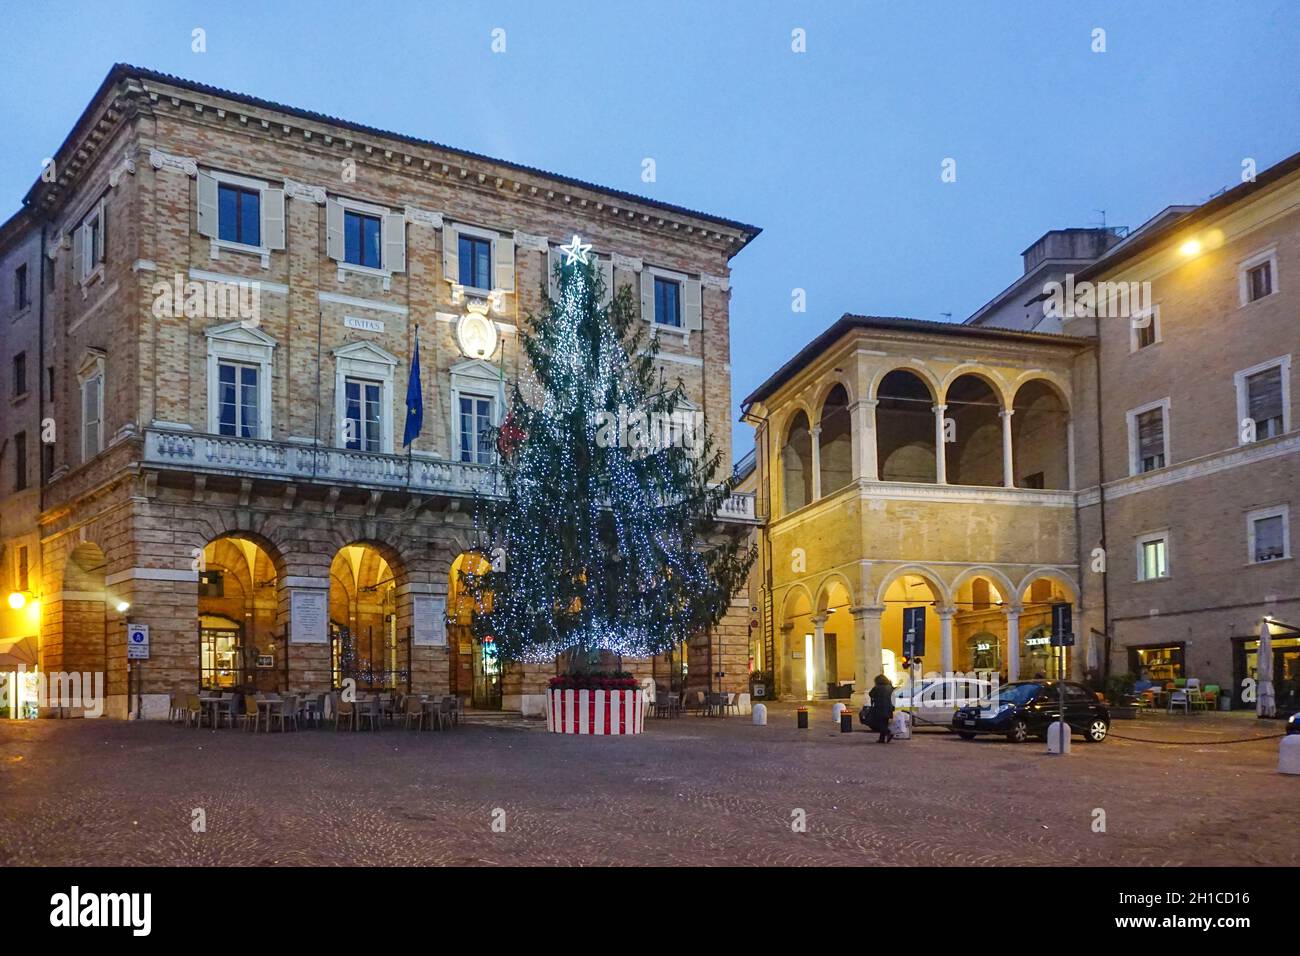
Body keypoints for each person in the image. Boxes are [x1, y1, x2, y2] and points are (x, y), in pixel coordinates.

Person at [867, 674, 896, 743]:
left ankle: (888, 732)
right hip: (889, 707)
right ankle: (882, 738)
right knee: (884, 722)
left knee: (879, 723)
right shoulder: (890, 687)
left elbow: (871, 694)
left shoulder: (878, 687)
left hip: (880, 707)